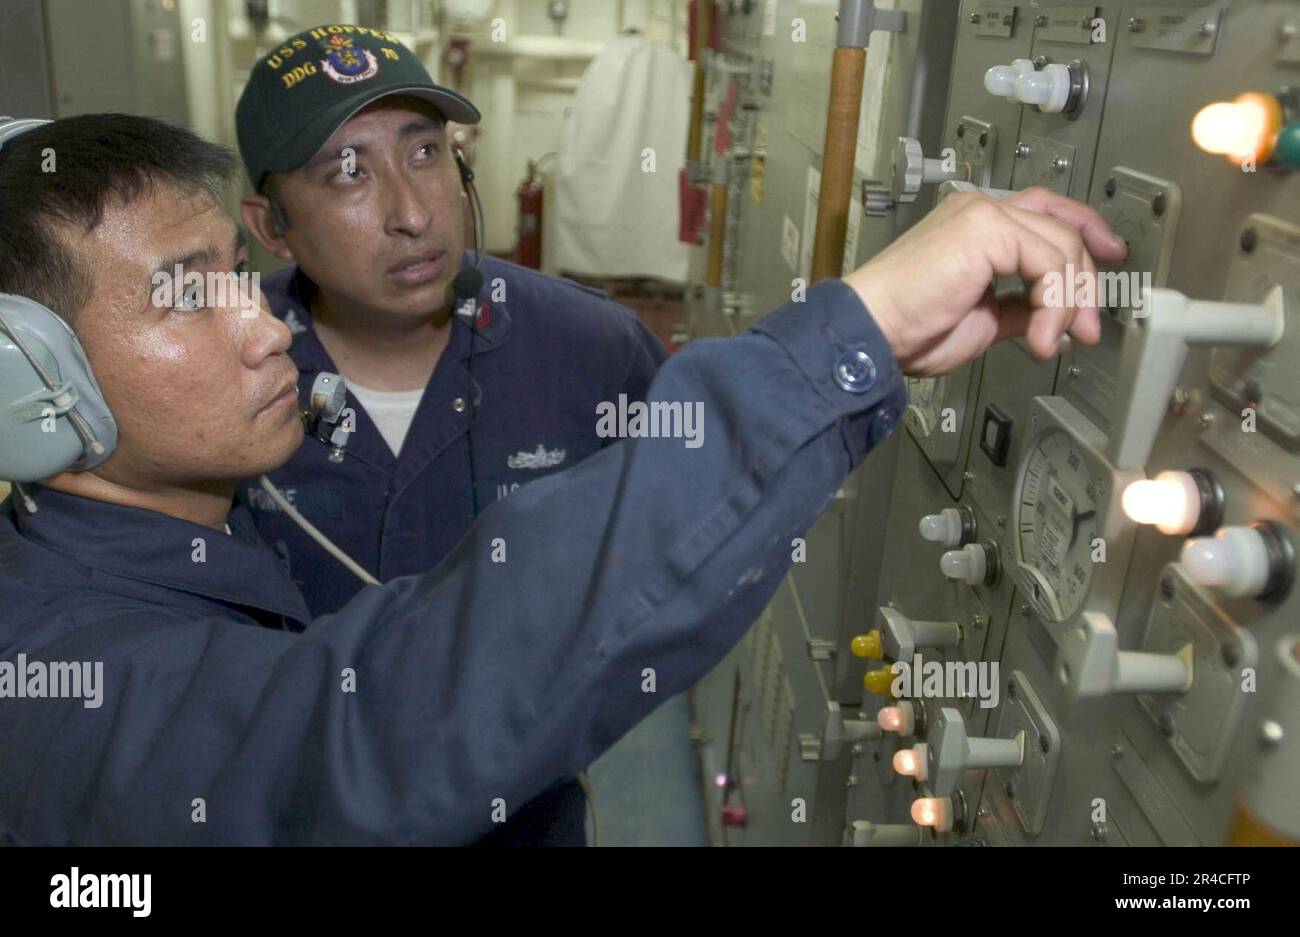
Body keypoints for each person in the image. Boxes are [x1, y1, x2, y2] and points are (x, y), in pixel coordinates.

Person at [0, 113, 1123, 845]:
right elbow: (377, 723)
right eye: (184, 294)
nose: (262, 328)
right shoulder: (50, 678)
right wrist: (849, 333)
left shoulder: (177, 544)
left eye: (239, 278)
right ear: (24, 384)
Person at [234, 25, 669, 844]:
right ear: (272, 224)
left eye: (426, 153)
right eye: (349, 174)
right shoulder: (219, 371)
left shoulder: (590, 349)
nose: (411, 214)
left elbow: (696, 529)